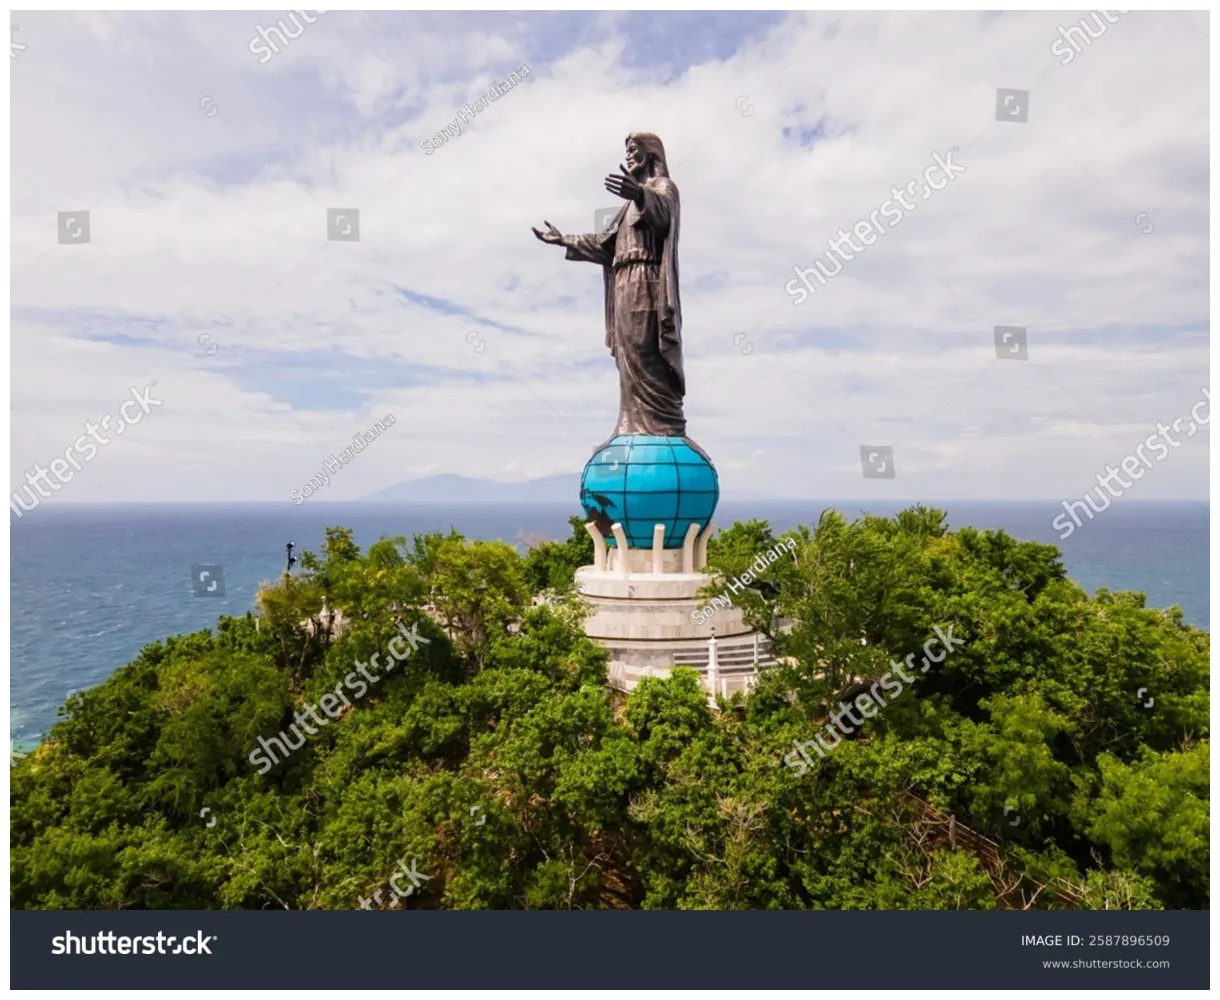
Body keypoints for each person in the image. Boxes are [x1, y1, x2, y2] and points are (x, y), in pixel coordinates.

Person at [532, 132, 686, 439]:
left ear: (651, 154)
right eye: (626, 151)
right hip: (623, 285)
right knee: (628, 356)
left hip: (647, 282)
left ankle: (661, 423)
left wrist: (641, 195)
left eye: (634, 150)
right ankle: (632, 422)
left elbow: (665, 219)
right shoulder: (626, 208)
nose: (629, 155)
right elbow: (605, 245)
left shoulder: (662, 188)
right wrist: (563, 239)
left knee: (646, 350)